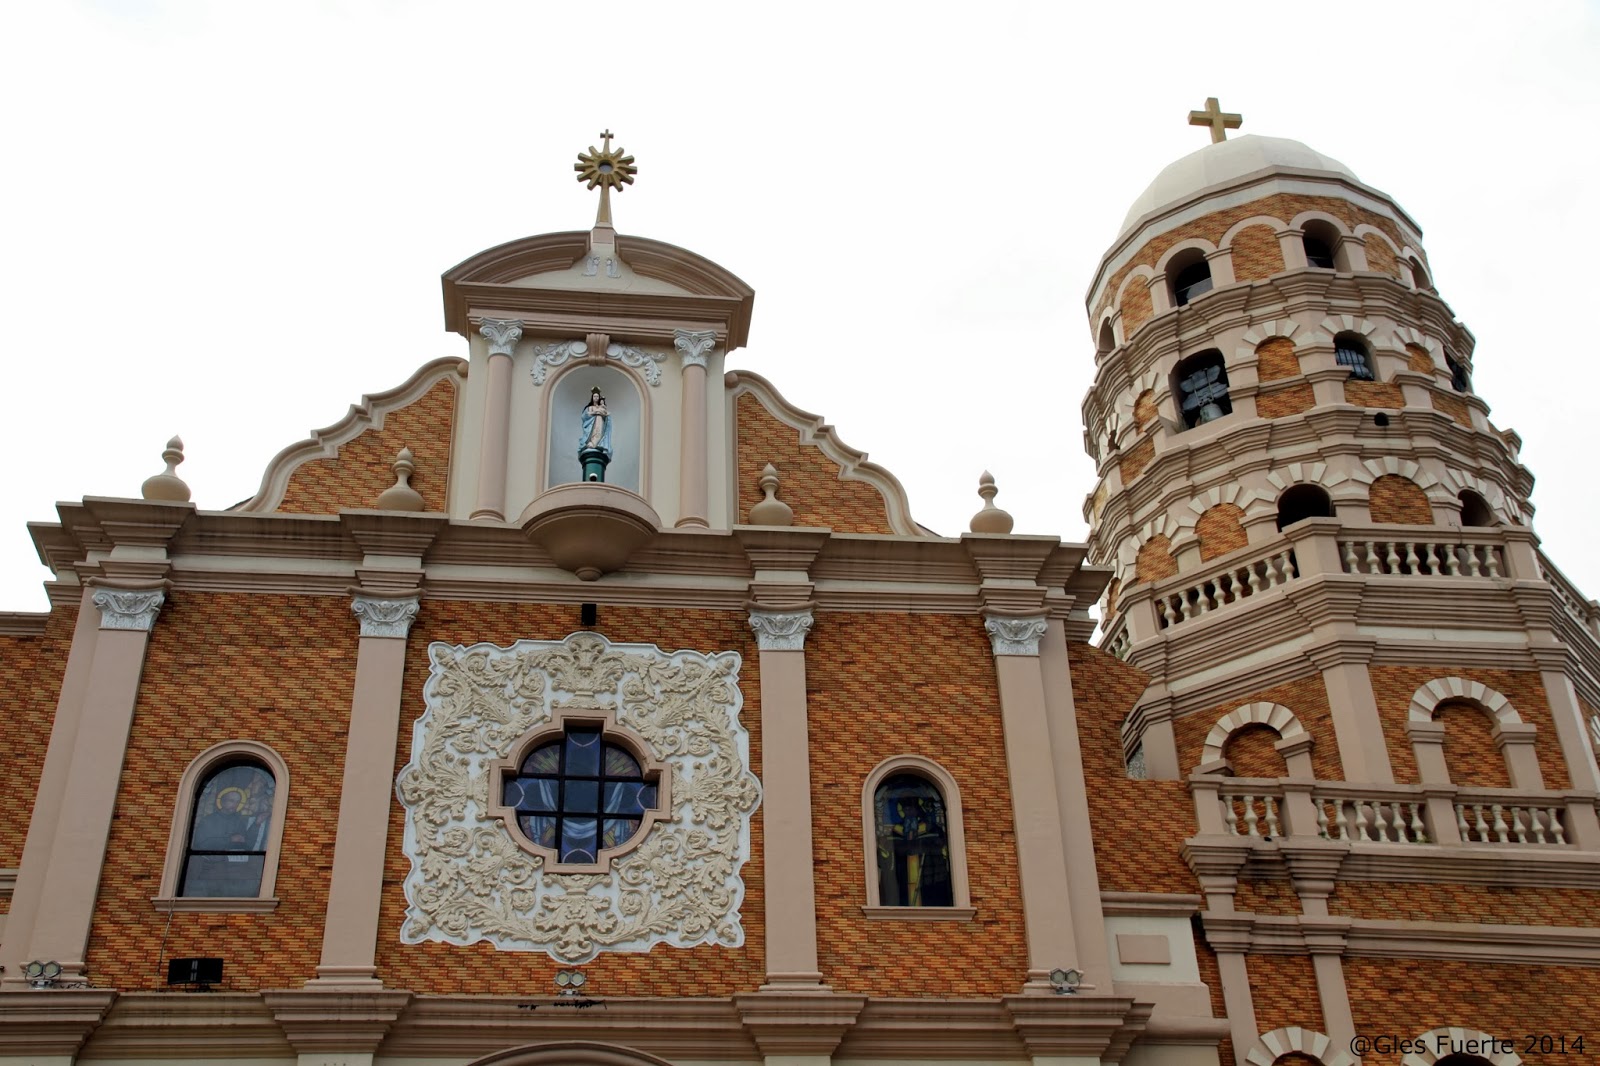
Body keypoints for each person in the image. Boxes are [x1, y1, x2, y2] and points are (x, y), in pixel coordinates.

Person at [579, 387, 612, 458]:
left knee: (599, 432)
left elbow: (606, 415)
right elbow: (585, 415)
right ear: (592, 397)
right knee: (593, 432)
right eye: (594, 396)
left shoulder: (601, 407)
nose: (596, 398)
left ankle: (598, 444)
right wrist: (596, 412)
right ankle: (592, 443)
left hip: (600, 422)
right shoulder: (590, 407)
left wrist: (604, 415)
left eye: (597, 396)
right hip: (592, 424)